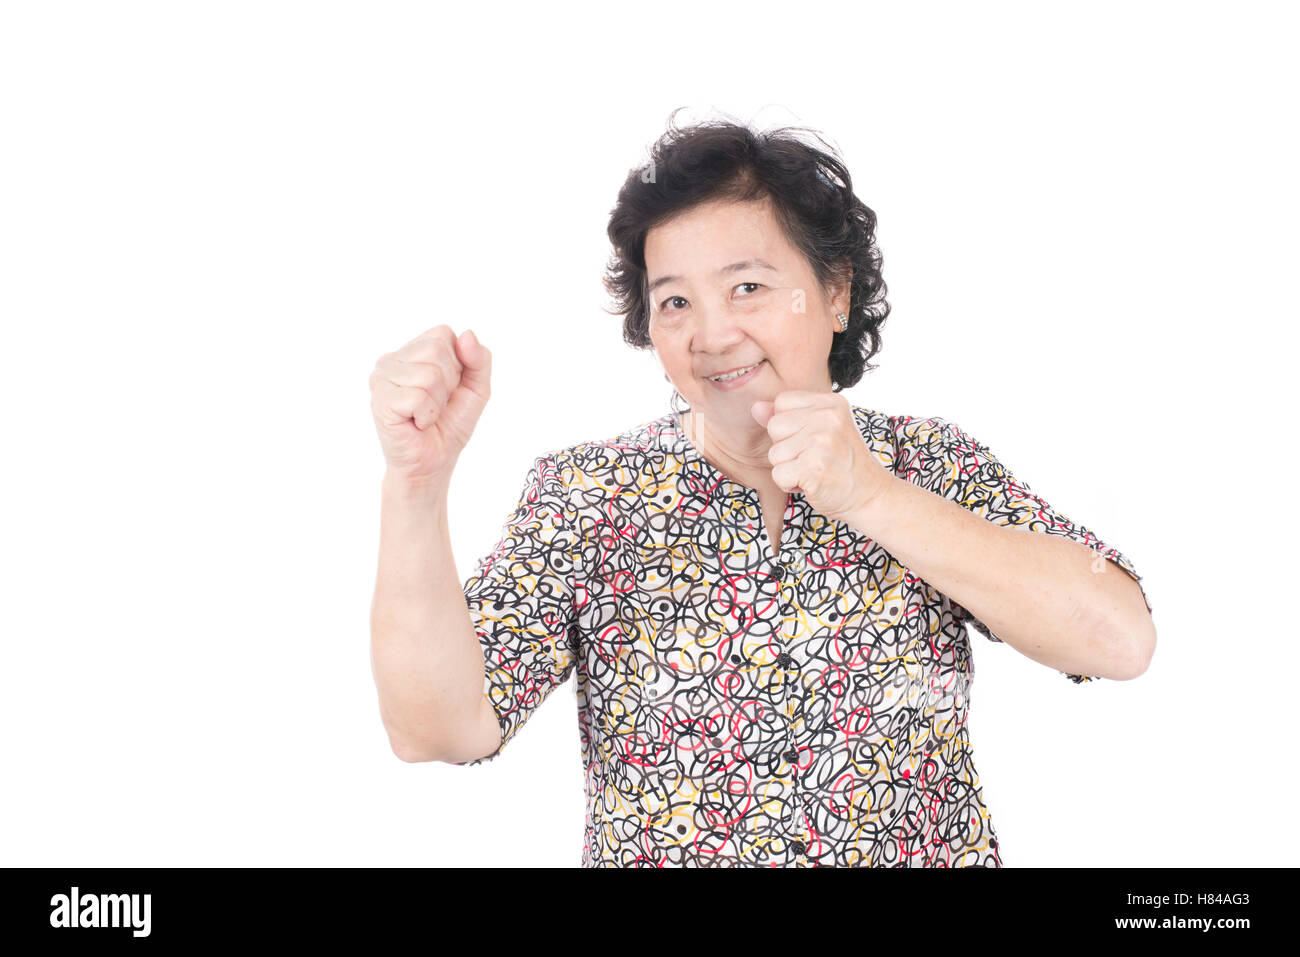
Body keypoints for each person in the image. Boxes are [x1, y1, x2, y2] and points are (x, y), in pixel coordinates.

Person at [368, 113, 1156, 867]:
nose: (710, 334)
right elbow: (436, 725)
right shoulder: (591, 493)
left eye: (746, 286)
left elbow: (1119, 639)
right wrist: (417, 482)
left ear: (836, 292)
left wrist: (869, 496)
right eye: (674, 300)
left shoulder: (927, 463)